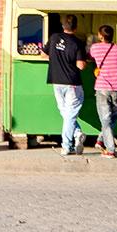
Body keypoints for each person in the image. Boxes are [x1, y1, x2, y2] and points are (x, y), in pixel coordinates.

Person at [45, 13, 89, 155]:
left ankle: (76, 135)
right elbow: (81, 66)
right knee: (69, 115)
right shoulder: (77, 43)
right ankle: (67, 144)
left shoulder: (54, 38)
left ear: (63, 26)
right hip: (72, 83)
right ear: (75, 27)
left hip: (56, 81)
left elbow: (44, 54)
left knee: (65, 112)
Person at [87, 23, 117, 158]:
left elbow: (88, 56)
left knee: (105, 120)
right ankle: (100, 140)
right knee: (113, 117)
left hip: (102, 88)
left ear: (100, 36)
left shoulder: (95, 48)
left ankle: (110, 150)